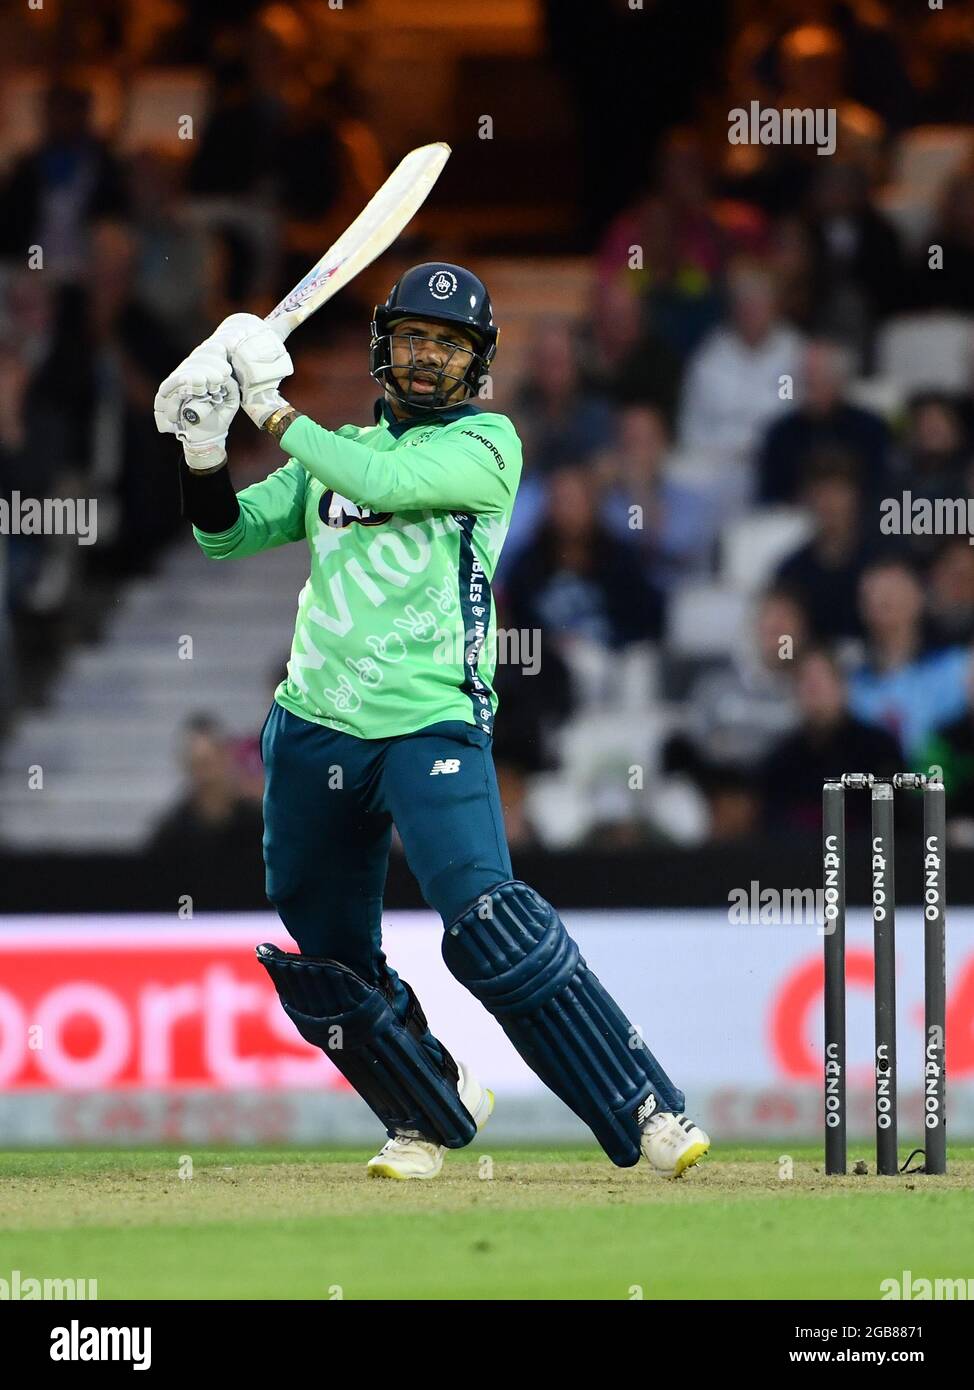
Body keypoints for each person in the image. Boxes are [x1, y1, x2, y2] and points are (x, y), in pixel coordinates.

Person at [153, 262, 708, 1180]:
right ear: (383, 348)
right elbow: (225, 535)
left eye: (447, 346)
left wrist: (274, 409)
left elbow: (379, 475)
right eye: (411, 338)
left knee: (487, 918)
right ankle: (424, 1110)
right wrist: (204, 451)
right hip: (315, 725)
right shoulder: (330, 453)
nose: (425, 359)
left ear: (476, 364)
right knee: (327, 954)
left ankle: (644, 1106)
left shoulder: (489, 447)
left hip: (429, 722)